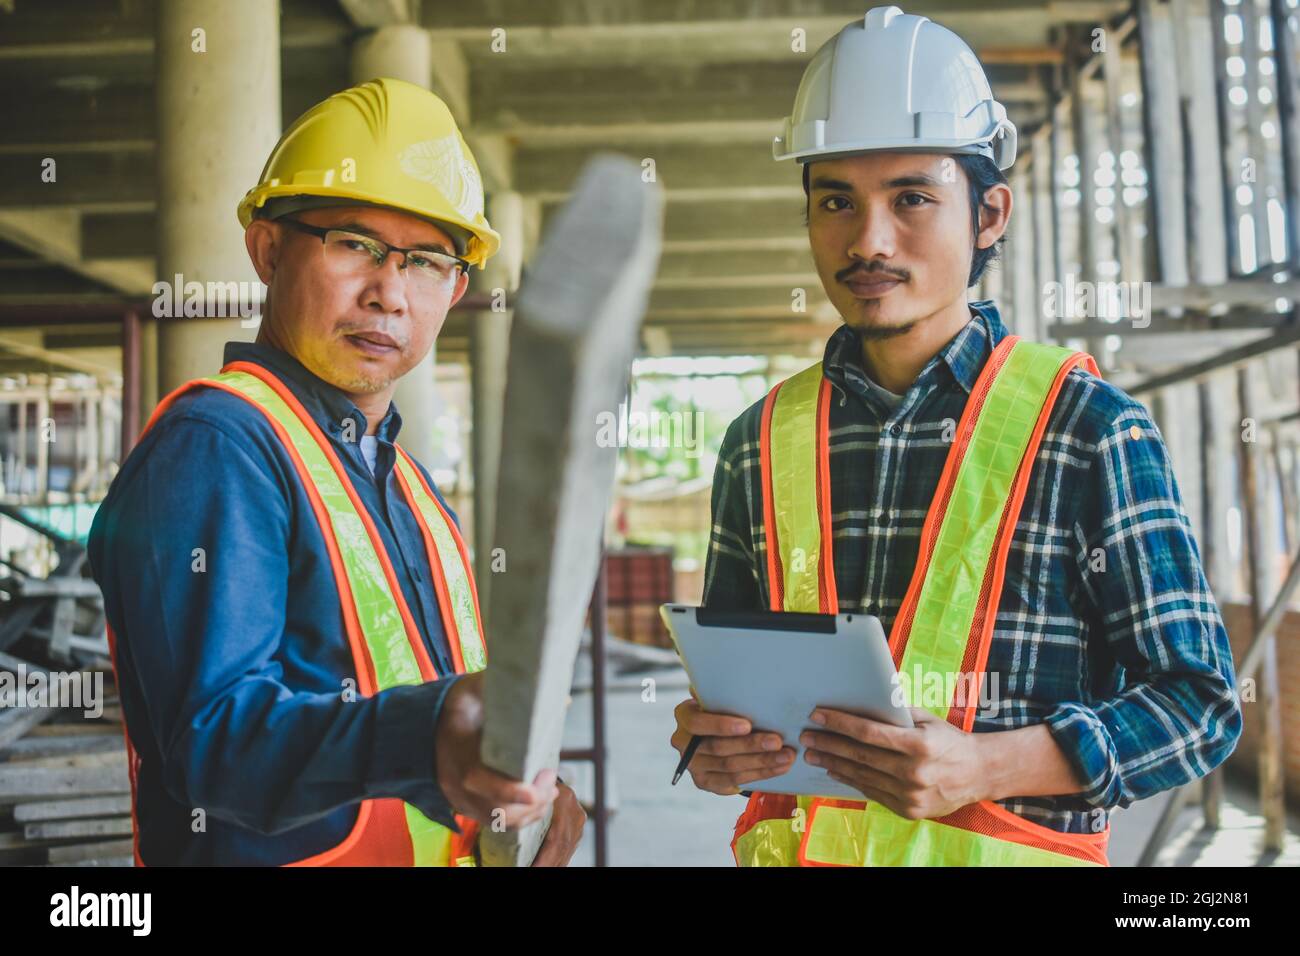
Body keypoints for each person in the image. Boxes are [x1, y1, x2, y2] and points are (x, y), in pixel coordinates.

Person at [670, 6, 1241, 867]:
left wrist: (985, 766)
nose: (869, 241)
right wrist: (715, 745)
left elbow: (1200, 709)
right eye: (836, 201)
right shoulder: (759, 442)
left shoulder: (1089, 431)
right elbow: (737, 697)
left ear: (989, 213)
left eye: (912, 199)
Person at [89, 77, 585, 866]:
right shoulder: (217, 444)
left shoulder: (413, 489)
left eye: (425, 261)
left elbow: (444, 719)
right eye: (355, 244)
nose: (389, 292)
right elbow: (212, 745)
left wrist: (518, 794)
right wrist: (425, 739)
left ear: (455, 289)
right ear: (268, 249)